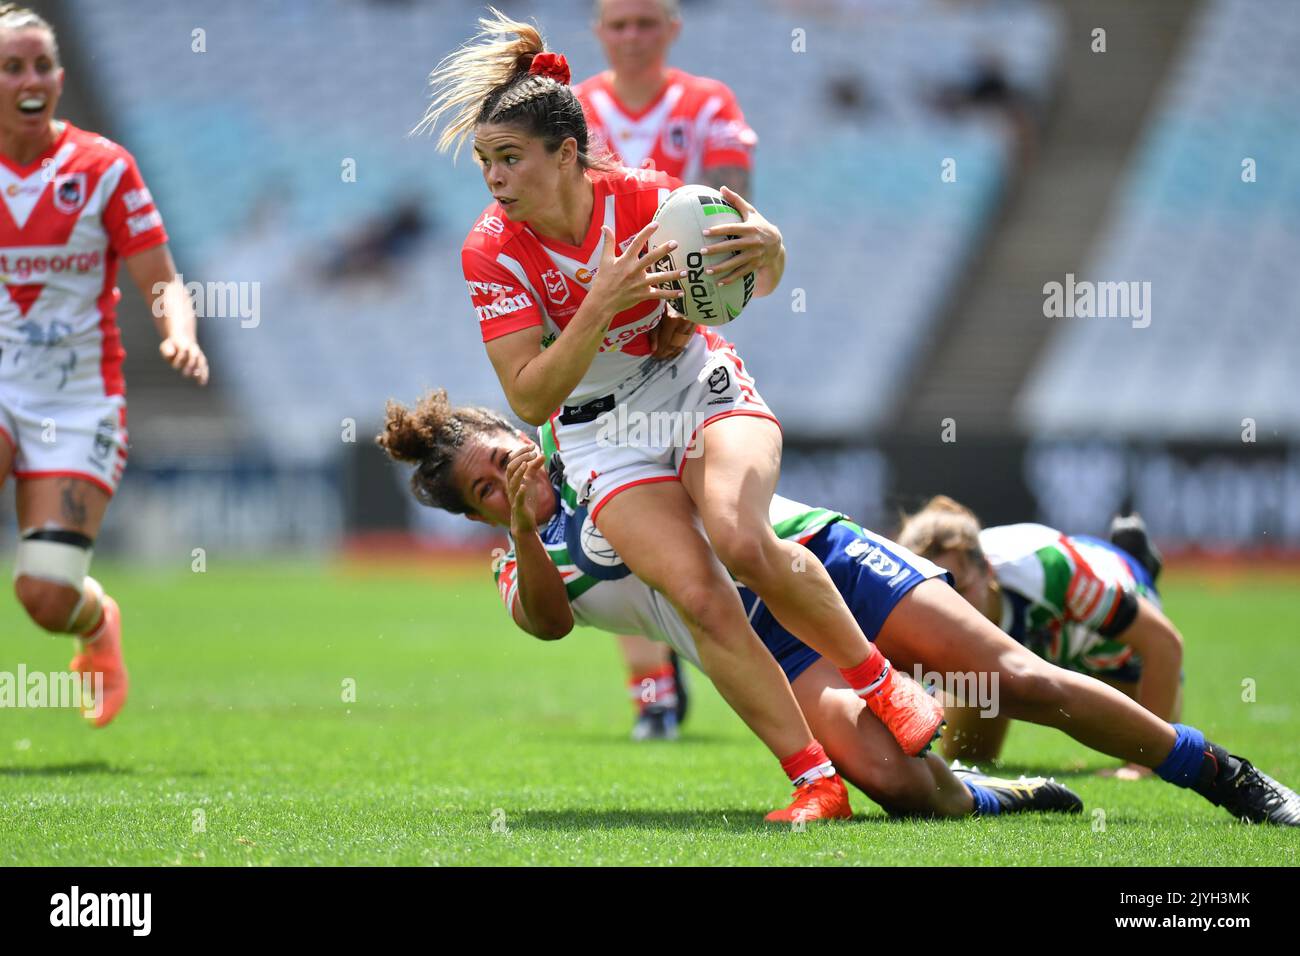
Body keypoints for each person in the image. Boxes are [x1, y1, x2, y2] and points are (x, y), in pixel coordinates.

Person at [416, 9, 945, 823]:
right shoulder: (489, 248)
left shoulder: (652, 201)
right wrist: (601, 303)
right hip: (597, 431)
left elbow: (744, 281)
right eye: (486, 162)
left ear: (567, 155)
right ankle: (815, 781)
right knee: (700, 599)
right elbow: (529, 398)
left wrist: (771, 253)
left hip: (691, 383)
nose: (494, 178)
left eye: (510, 158)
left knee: (740, 537)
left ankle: (883, 684)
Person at [380, 391, 1300, 826]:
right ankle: (999, 793)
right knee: (899, 788)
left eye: (499, 458)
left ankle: (1224, 776)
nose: (509, 483)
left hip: (815, 559)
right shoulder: (523, 566)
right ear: (479, 519)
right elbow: (544, 622)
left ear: (510, 430)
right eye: (486, 495)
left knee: (1017, 680)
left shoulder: (584, 427)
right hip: (771, 651)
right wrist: (533, 532)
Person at [0, 5, 208, 727]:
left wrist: (178, 332)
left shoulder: (102, 167)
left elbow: (162, 281)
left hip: (76, 406)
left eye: (42, 65)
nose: (32, 79)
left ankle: (95, 622)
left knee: (44, 596)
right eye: (13, 66)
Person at [574, 0, 760, 741]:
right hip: (607, 337)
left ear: (672, 29)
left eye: (646, 22)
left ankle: (737, 653)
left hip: (689, 333)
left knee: (716, 518)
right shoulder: (576, 109)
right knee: (613, 509)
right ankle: (654, 692)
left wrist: (692, 301)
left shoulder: (708, 103)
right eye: (618, 24)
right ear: (598, 32)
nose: (632, 37)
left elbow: (730, 212)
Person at [897, 497, 1180, 776]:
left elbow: (1164, 643)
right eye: (936, 593)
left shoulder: (1051, 571)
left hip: (1103, 646)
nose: (947, 605)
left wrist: (1143, 768)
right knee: (968, 752)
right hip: (1027, 643)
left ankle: (1133, 560)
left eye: (959, 590)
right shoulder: (908, 592)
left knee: (1147, 742)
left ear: (987, 570)